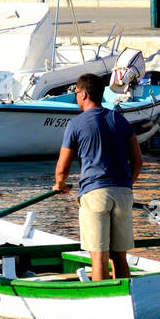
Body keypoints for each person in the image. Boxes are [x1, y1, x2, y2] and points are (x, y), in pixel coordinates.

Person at [53, 73, 142, 283]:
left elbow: (62, 168)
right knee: (119, 256)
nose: (75, 97)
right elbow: (137, 162)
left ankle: (105, 302)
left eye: (75, 93)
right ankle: (125, 297)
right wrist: (127, 184)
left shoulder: (75, 124)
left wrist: (60, 184)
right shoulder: (119, 119)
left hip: (95, 194)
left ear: (83, 94)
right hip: (123, 193)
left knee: (99, 256)